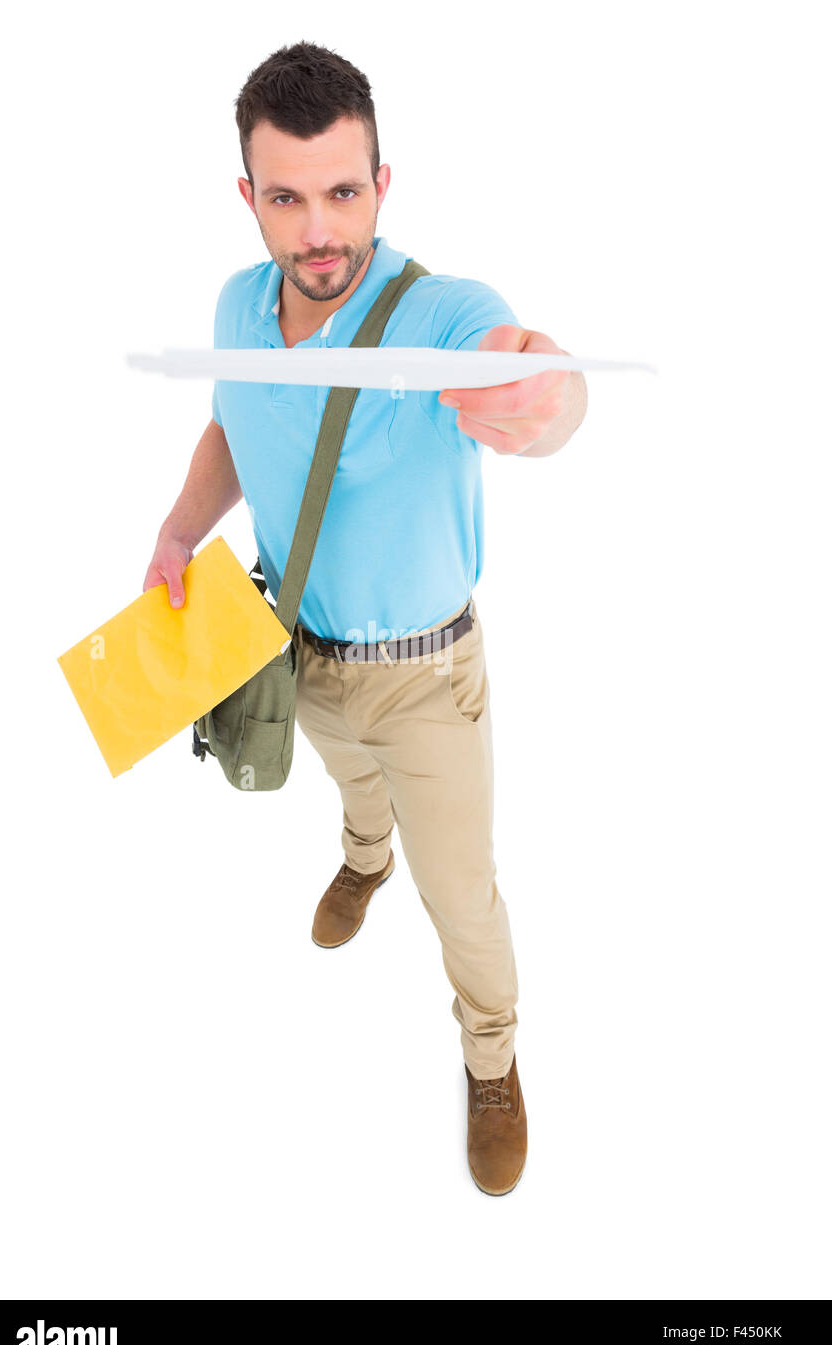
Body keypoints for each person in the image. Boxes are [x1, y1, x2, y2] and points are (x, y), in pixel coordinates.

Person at [144, 42, 588, 1195]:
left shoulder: (435, 313)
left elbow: (533, 387)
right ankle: (360, 855)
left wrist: (540, 392)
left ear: (381, 185)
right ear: (249, 198)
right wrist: (178, 533)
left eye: (342, 192)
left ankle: (489, 1053)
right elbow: (237, 429)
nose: (317, 231)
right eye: (285, 199)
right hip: (298, 654)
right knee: (345, 786)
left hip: (428, 683)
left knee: (466, 896)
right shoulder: (236, 306)